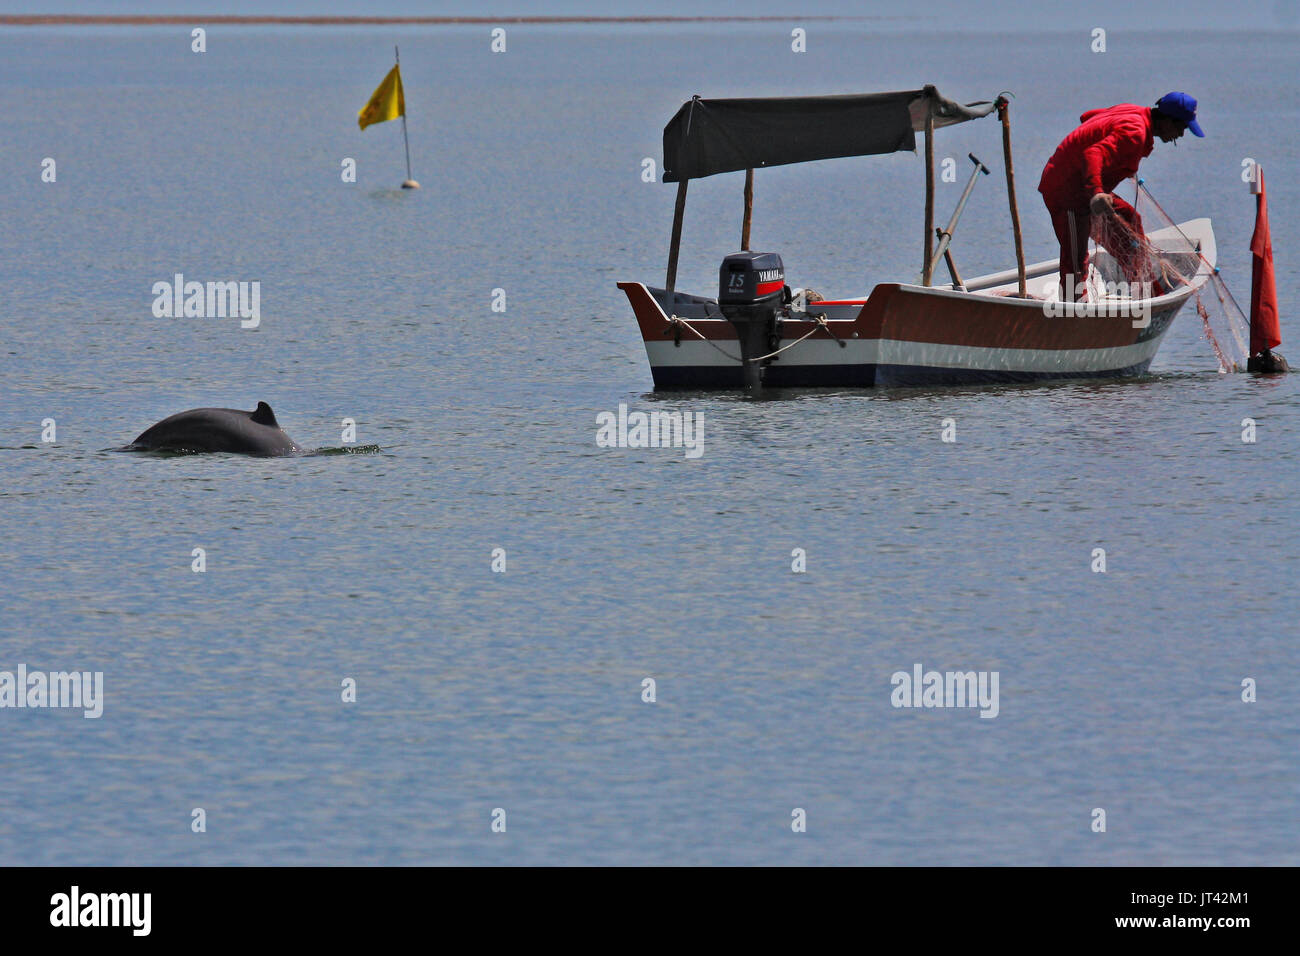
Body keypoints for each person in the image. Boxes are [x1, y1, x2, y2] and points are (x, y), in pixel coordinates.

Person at [1038, 92, 1204, 301]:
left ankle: (1145, 293)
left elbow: (1088, 117)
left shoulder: (1134, 112)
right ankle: (1073, 308)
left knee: (1130, 220)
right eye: (1181, 128)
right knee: (1076, 257)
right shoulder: (1135, 132)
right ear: (1167, 120)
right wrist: (1097, 191)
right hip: (1067, 191)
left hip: (1086, 187)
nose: (1181, 134)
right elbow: (1093, 154)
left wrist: (1117, 156)